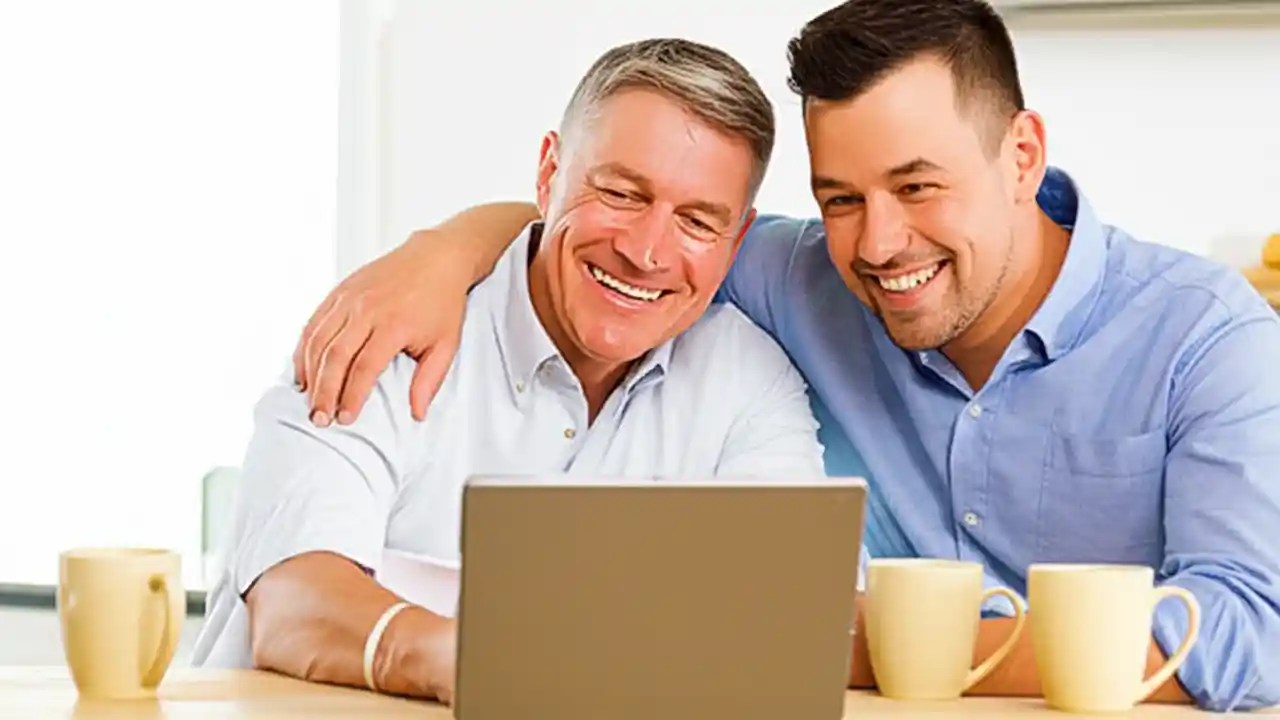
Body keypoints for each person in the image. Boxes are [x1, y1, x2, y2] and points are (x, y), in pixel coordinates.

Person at [290, 0, 1280, 712]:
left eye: (918, 186)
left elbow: (1249, 631)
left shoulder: (1207, 340)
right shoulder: (801, 273)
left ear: (1020, 153)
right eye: (839, 197)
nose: (879, 245)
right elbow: (628, 235)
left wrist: (866, 643)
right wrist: (437, 253)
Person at [190, 38, 831, 704]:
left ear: (739, 237)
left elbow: (793, 611)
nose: (646, 252)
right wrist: (464, 657)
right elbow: (293, 600)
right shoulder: (390, 329)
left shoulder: (749, 380)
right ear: (549, 173)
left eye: (698, 221)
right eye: (618, 192)